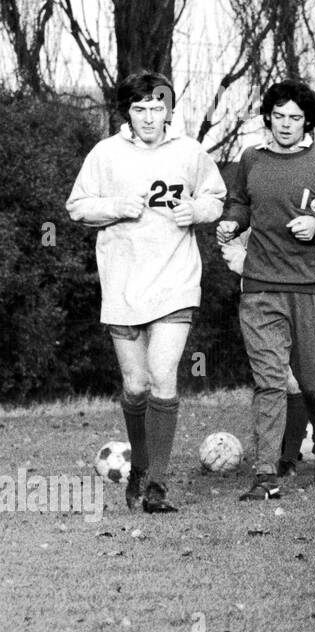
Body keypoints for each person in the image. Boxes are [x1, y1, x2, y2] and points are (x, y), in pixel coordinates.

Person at [67, 70, 227, 513]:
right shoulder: (106, 154)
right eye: (140, 109)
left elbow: (216, 198)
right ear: (128, 113)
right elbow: (77, 205)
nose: (149, 117)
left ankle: (157, 485)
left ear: (169, 110)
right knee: (135, 386)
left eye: (158, 108)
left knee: (163, 375)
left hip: (175, 281)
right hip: (122, 283)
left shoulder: (190, 152)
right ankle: (139, 465)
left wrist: (196, 210)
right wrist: (114, 208)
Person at [216, 80, 315, 501]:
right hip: (262, 286)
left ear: (308, 122)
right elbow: (239, 202)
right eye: (279, 116)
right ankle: (266, 476)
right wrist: (233, 221)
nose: (286, 125)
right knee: (268, 382)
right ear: (268, 118)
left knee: (314, 383)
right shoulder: (251, 159)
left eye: (295, 118)